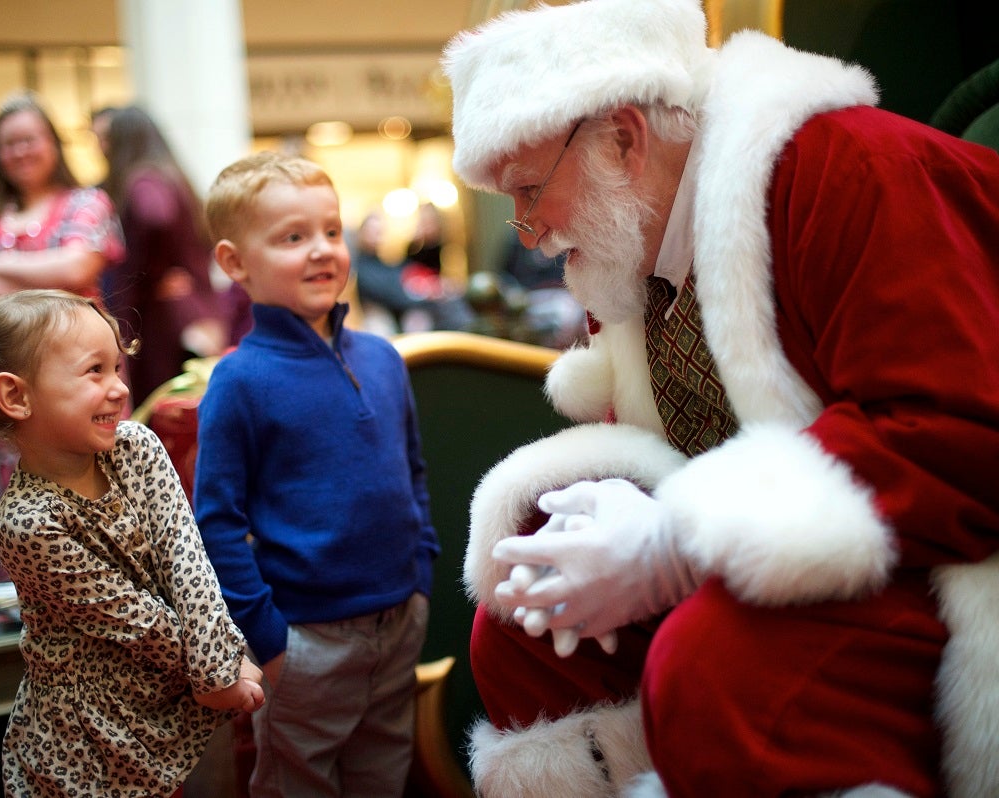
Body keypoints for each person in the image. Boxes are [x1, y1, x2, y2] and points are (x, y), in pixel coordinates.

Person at [441, 1, 999, 797]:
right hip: (812, 546)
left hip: (943, 554)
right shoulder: (631, 246)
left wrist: (675, 540)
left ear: (624, 140)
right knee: (525, 623)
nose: (526, 231)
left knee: (716, 665)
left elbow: (955, 432)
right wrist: (608, 514)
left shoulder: (847, 167)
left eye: (529, 191)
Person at [0, 288, 265, 797]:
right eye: (95, 371)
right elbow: (137, 622)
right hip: (85, 746)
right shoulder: (27, 522)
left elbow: (186, 559)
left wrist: (218, 664)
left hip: (173, 699)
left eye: (118, 367)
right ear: (16, 397)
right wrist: (219, 669)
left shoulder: (137, 447)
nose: (119, 389)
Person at [193, 151, 440, 798]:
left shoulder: (384, 359)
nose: (321, 250)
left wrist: (421, 573)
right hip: (306, 641)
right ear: (234, 263)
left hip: (397, 623)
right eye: (292, 237)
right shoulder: (239, 381)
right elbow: (216, 525)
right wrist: (270, 640)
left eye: (331, 231)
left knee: (384, 777)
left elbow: (413, 472)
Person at [0, 91, 124, 586]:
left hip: (79, 377)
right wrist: (44, 273)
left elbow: (78, 266)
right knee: (2, 491)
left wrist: (1, 262)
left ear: (53, 143)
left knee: (86, 480)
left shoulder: (87, 201)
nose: (21, 151)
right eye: (9, 144)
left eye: (30, 139)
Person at [101, 105, 249, 406]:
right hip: (193, 315)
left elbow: (155, 216)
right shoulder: (174, 177)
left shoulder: (144, 180)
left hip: (162, 323)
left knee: (163, 412)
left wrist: (149, 276)